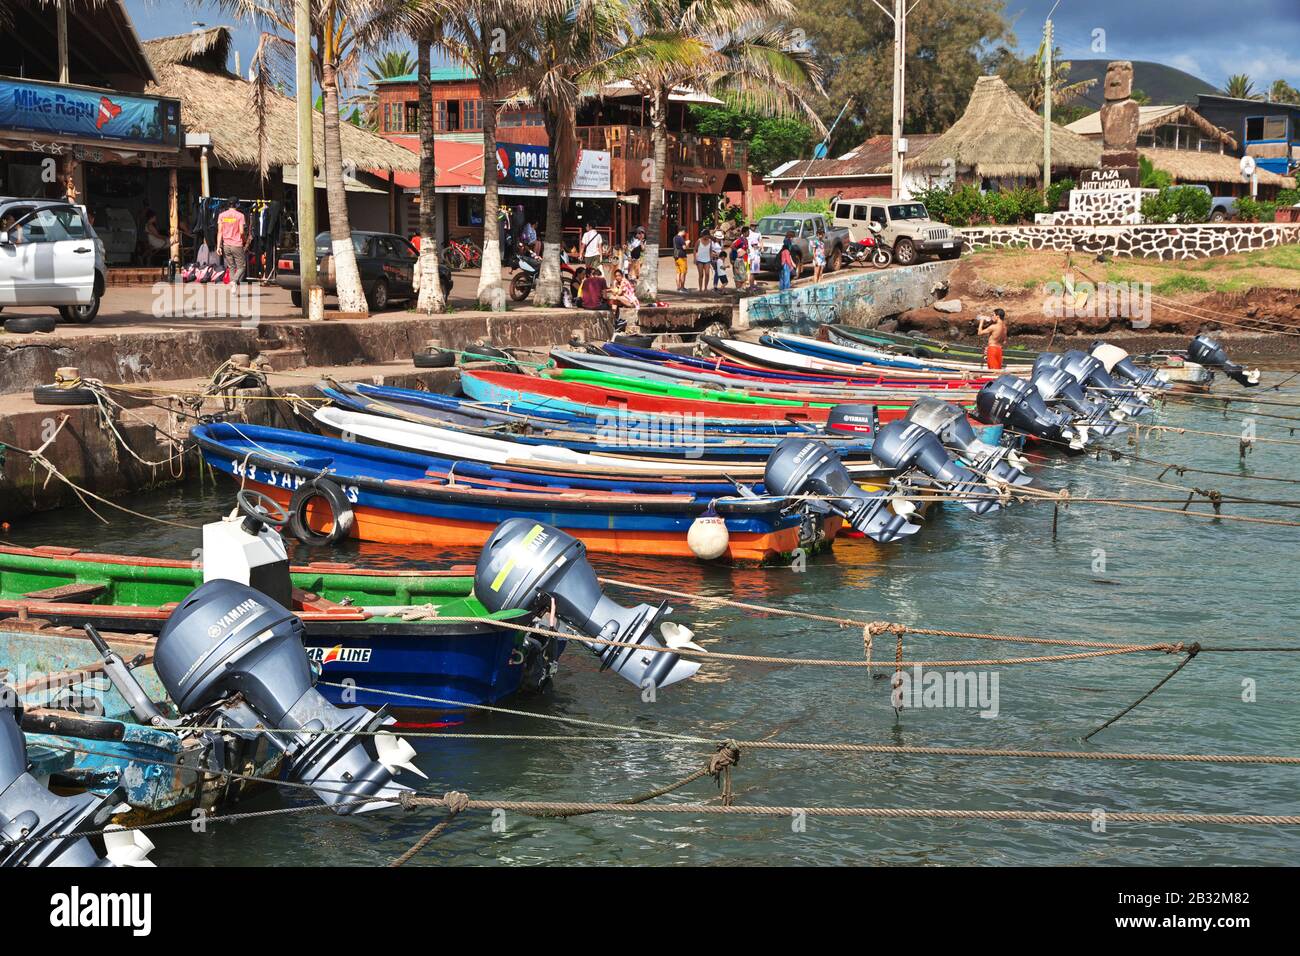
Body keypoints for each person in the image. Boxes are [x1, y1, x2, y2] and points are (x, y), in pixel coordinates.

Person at [215, 197, 247, 283]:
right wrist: (244, 240)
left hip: (226, 245)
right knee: (242, 267)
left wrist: (218, 246)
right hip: (237, 244)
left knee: (231, 266)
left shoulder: (222, 215)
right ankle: (235, 280)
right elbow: (241, 232)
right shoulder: (240, 216)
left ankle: (234, 289)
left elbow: (219, 232)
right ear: (237, 204)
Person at [671, 227, 688, 291]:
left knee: (678, 272)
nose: (685, 234)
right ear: (683, 231)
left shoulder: (674, 237)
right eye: (685, 232)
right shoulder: (681, 238)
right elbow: (684, 248)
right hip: (682, 256)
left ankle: (678, 287)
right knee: (683, 272)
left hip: (676, 256)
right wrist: (687, 243)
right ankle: (682, 287)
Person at [745, 222, 761, 291]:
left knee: (754, 272)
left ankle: (751, 285)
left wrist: (760, 248)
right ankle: (749, 285)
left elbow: (760, 241)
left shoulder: (758, 233)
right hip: (749, 255)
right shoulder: (747, 233)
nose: (754, 227)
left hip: (756, 255)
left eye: (755, 226)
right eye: (753, 225)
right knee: (749, 271)